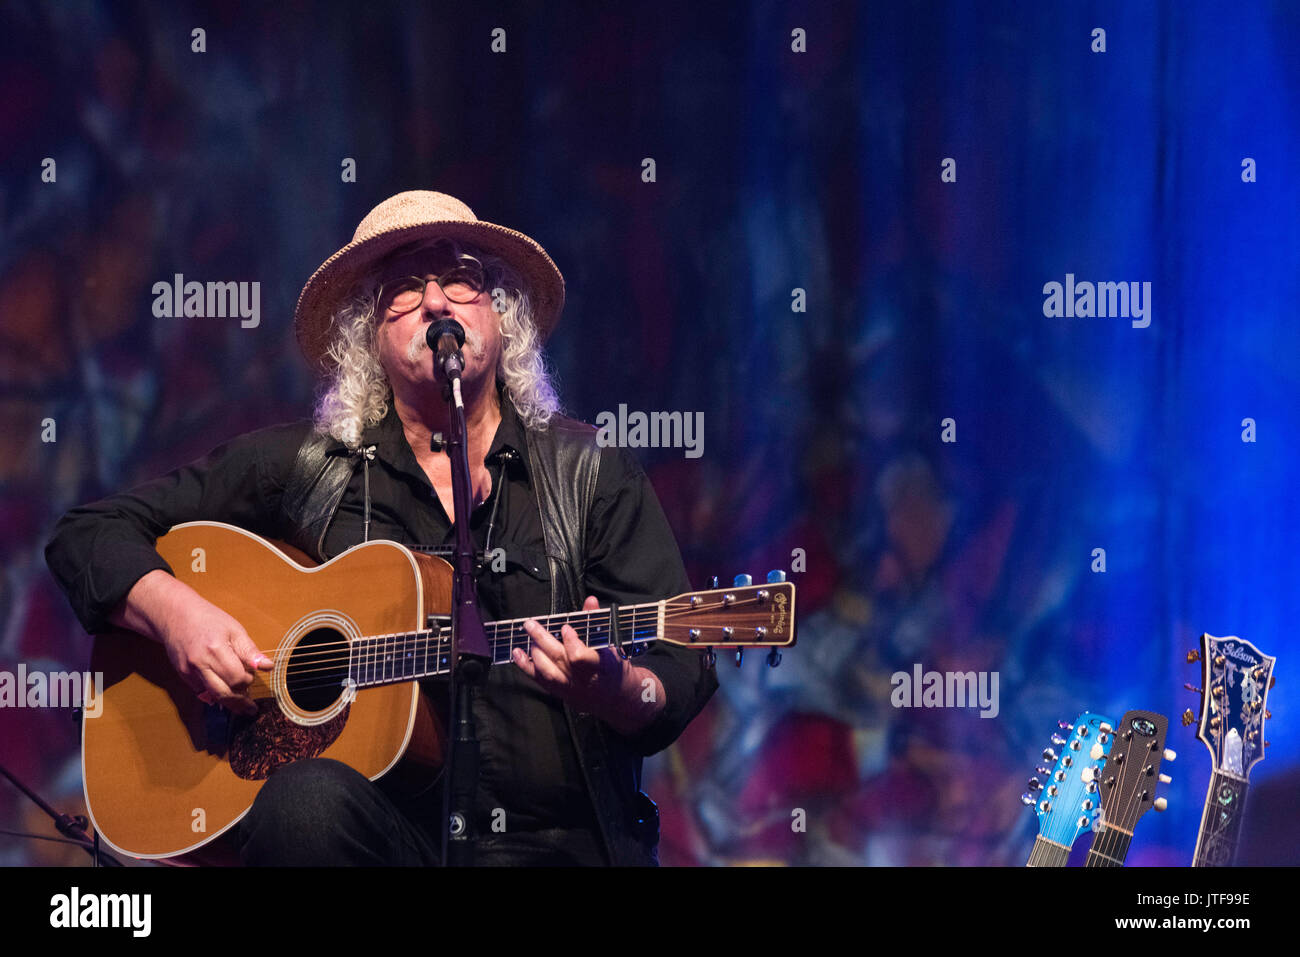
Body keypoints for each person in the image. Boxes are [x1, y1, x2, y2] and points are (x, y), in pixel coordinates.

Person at [45, 190, 718, 866]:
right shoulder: (309, 467)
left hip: (558, 848)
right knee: (304, 802)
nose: (435, 302)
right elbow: (88, 533)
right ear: (366, 334)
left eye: (461, 276)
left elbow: (681, 666)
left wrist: (620, 690)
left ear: (499, 311)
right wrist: (175, 612)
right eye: (402, 287)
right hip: (385, 844)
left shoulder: (589, 473)